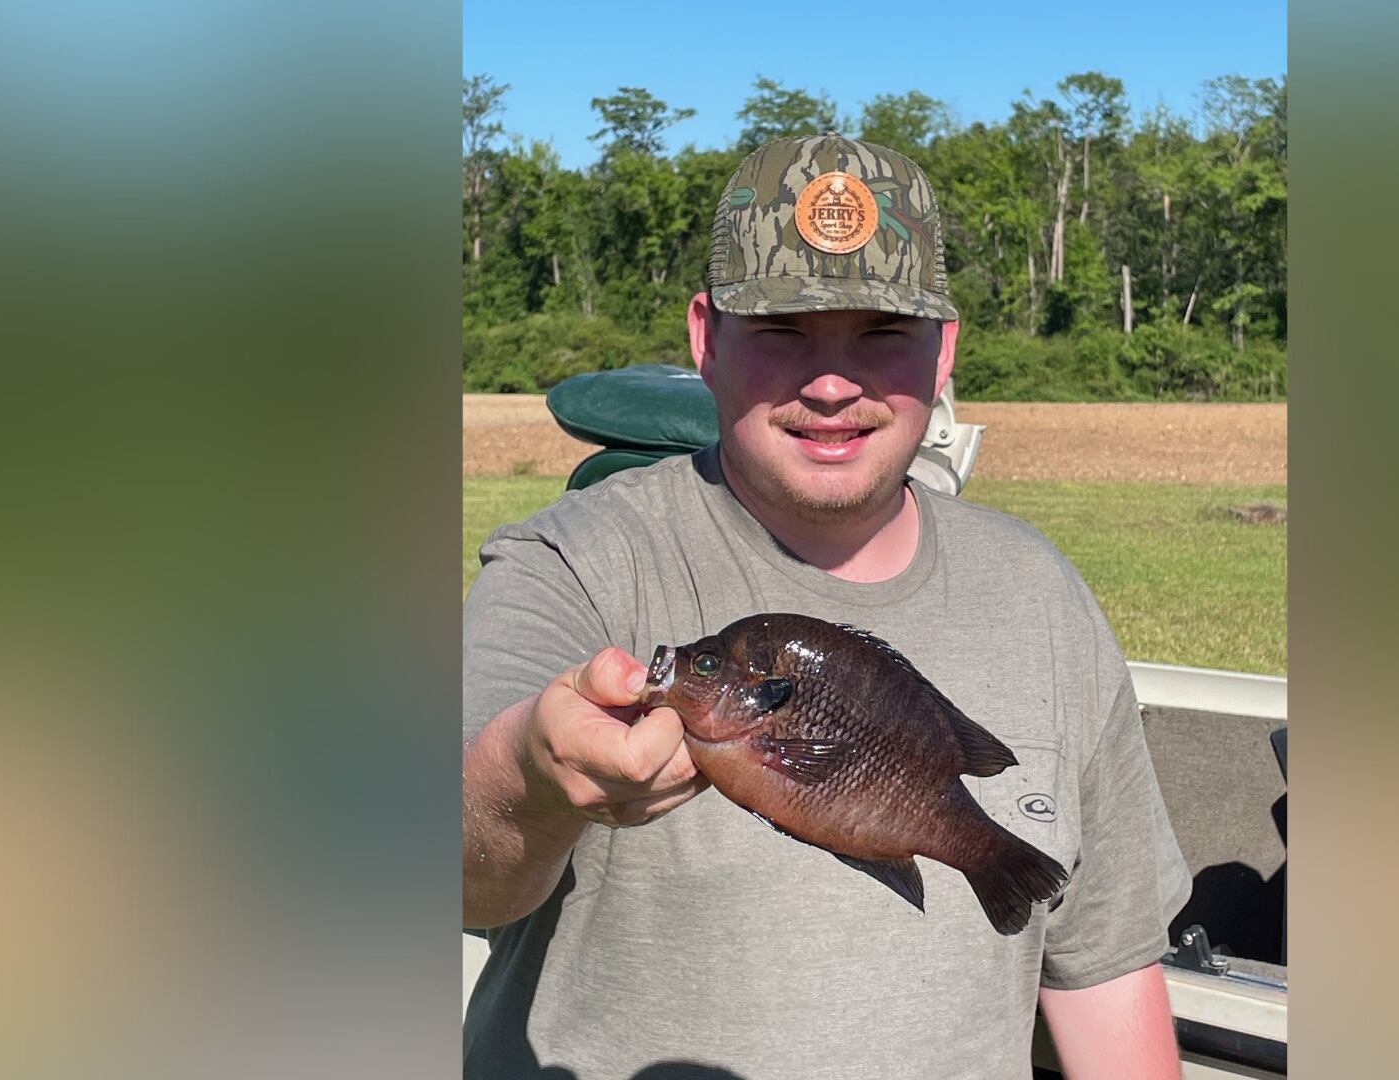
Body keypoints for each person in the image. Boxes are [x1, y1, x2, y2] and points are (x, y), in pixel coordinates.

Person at [462, 133, 1190, 1080]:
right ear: (704, 337)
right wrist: (532, 773)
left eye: (882, 333)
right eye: (784, 332)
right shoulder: (575, 563)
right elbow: (459, 868)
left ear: (944, 352)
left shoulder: (1040, 592)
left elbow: (1104, 967)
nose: (834, 383)